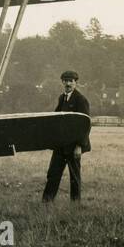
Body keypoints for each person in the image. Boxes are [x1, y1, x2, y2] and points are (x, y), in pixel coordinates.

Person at [42, 69, 91, 202]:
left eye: (71, 81)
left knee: (74, 176)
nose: (68, 83)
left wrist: (79, 146)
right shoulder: (61, 98)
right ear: (62, 82)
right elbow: (57, 119)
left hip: (73, 145)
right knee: (53, 174)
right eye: (66, 81)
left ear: (76, 83)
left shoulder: (81, 100)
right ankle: (46, 202)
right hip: (60, 144)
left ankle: (75, 204)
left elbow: (85, 125)